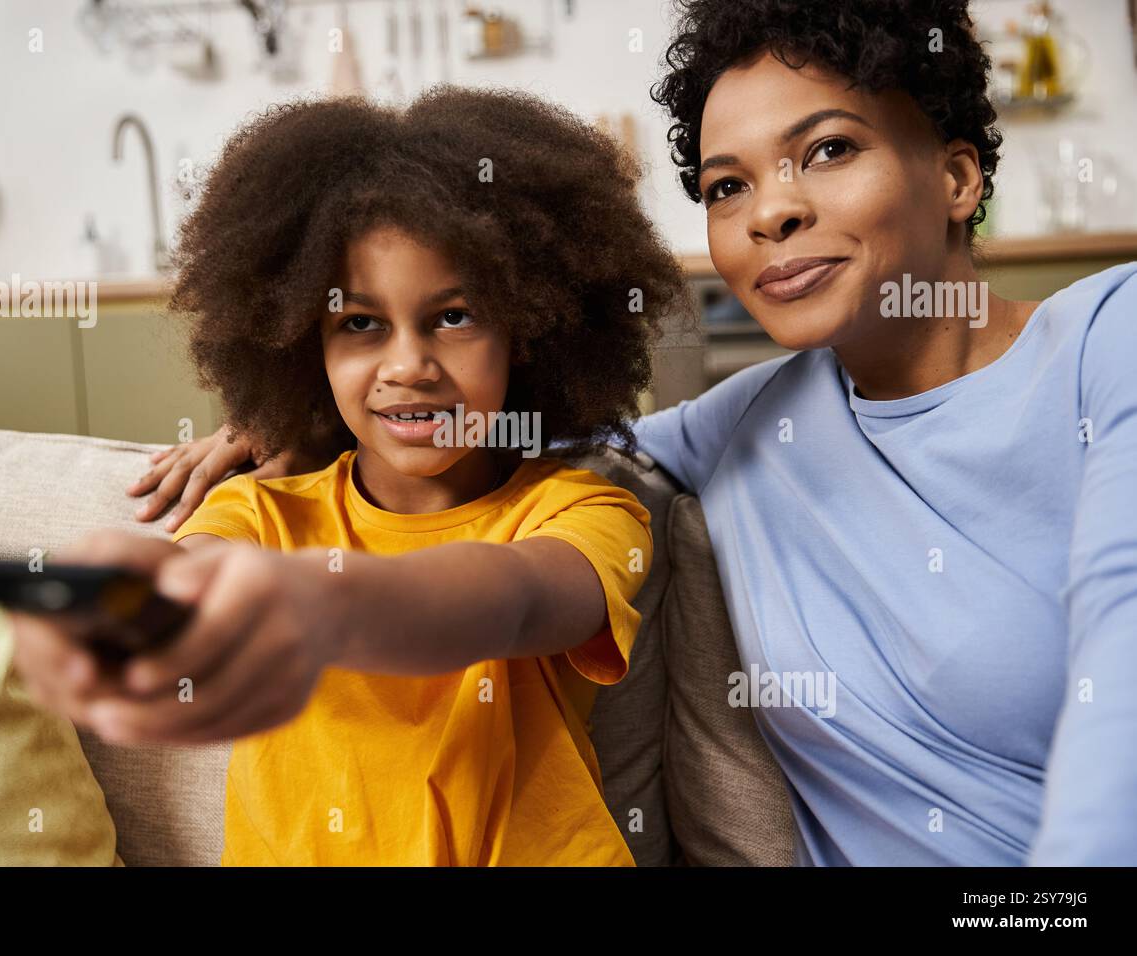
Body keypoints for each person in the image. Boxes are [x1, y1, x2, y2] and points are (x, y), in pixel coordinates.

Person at [138, 0, 1137, 866]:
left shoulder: (1109, 338)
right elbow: (507, 447)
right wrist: (296, 417)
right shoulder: (743, 422)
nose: (770, 213)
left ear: (958, 176)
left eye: (827, 149)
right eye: (724, 186)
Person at [9, 88, 688, 865]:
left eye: (455, 316)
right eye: (360, 323)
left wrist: (307, 601)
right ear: (306, 346)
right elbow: (189, 573)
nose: (408, 366)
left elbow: (510, 599)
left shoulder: (583, 509)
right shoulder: (261, 514)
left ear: (529, 332)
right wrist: (133, 591)